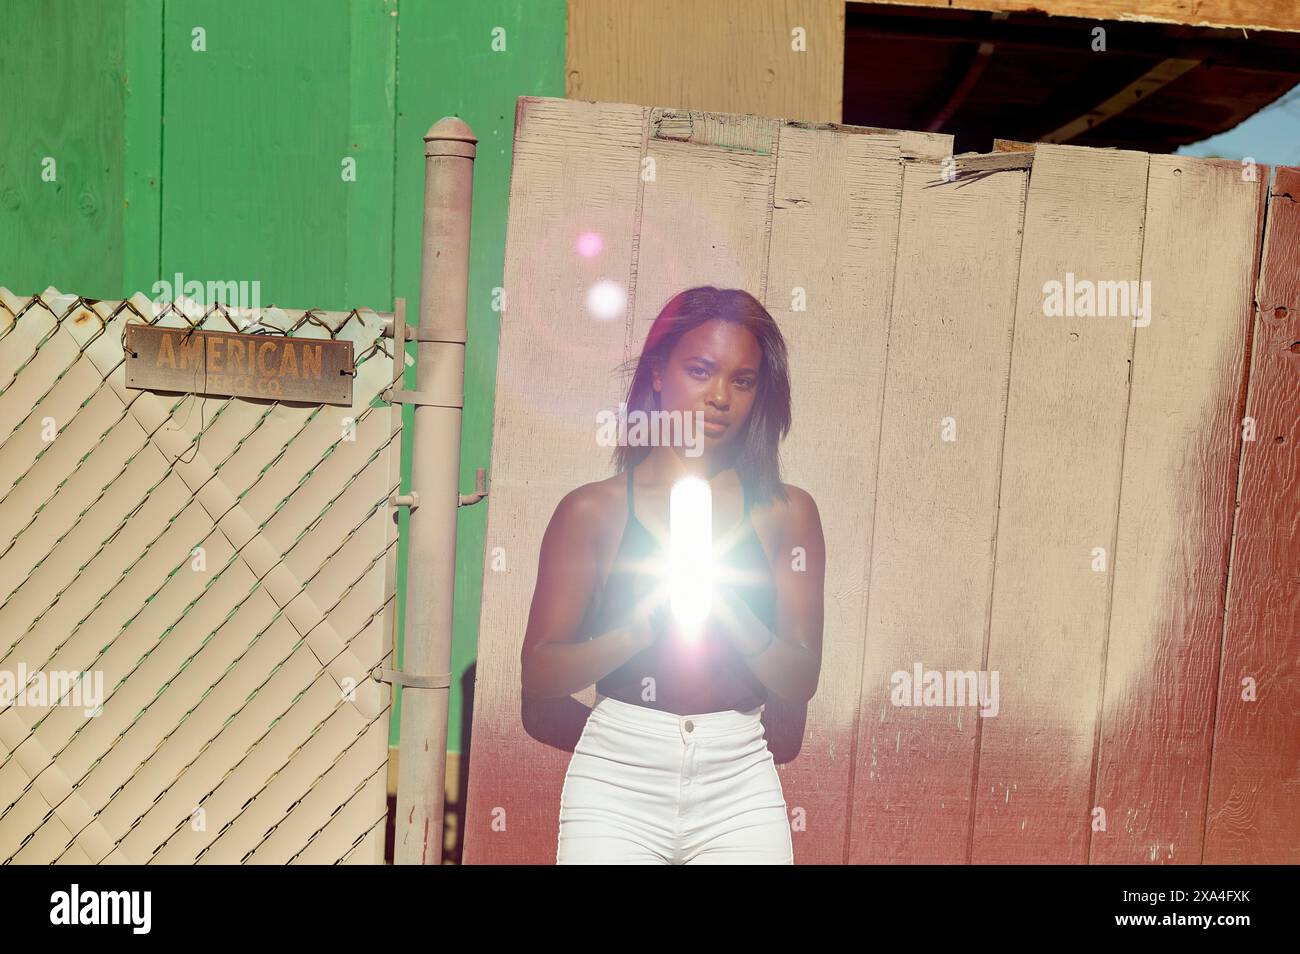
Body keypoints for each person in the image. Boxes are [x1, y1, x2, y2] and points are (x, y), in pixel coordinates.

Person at [520, 285, 826, 864]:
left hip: (738, 778)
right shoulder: (593, 510)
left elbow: (800, 678)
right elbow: (539, 675)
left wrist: (730, 612)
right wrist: (635, 633)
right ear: (658, 374)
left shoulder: (789, 513)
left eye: (742, 380)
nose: (718, 396)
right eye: (700, 370)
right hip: (617, 780)